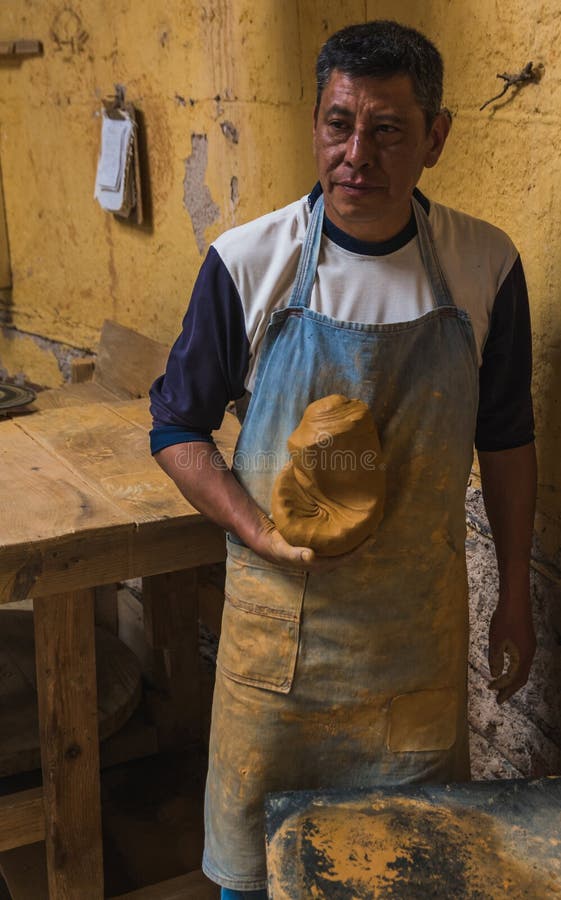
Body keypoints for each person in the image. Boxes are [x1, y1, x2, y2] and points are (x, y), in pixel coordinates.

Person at [149, 20, 537, 900]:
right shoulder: (250, 261)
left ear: (434, 137)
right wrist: (257, 529)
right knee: (255, 881)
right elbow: (176, 428)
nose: (356, 153)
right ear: (315, 126)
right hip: (276, 651)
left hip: (411, 650)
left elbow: (507, 439)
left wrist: (514, 593)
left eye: (388, 129)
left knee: (407, 872)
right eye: (337, 124)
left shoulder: (484, 264)